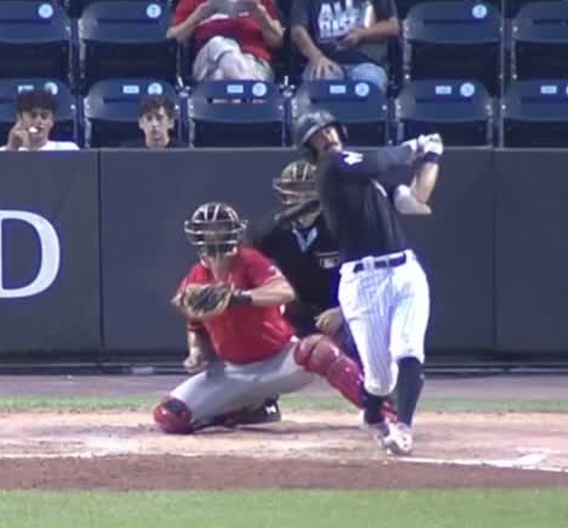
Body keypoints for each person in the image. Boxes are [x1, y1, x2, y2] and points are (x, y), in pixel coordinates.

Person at [292, 109, 443, 457]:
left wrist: (432, 156)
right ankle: (373, 412)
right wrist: (416, 146)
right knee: (379, 378)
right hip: (363, 280)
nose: (326, 137)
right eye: (317, 136)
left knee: (408, 349)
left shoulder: (366, 174)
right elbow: (381, 159)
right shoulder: (332, 167)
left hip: (405, 271)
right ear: (310, 148)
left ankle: (403, 427)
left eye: (328, 130)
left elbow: (416, 201)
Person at [246, 158, 408, 422]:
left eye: (306, 190)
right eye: (294, 191)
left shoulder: (341, 227)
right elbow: (247, 265)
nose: (299, 198)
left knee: (365, 335)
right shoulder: (273, 229)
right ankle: (258, 402)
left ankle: (380, 402)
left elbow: (370, 276)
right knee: (260, 335)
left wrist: (344, 310)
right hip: (294, 310)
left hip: (344, 306)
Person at [152, 201, 317, 434]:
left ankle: (375, 409)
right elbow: (195, 324)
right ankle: (244, 409)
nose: (215, 235)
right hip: (233, 370)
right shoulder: (196, 276)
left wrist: (239, 298)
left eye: (220, 228)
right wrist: (196, 352)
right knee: (170, 415)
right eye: (209, 230)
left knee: (320, 352)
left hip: (278, 359)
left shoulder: (249, 259)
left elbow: (284, 292)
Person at [0, 88, 81, 151]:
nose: (38, 121)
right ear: (20, 118)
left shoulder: (68, 150)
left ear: (52, 121)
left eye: (44, 116)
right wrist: (12, 149)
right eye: (32, 116)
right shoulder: (3, 151)